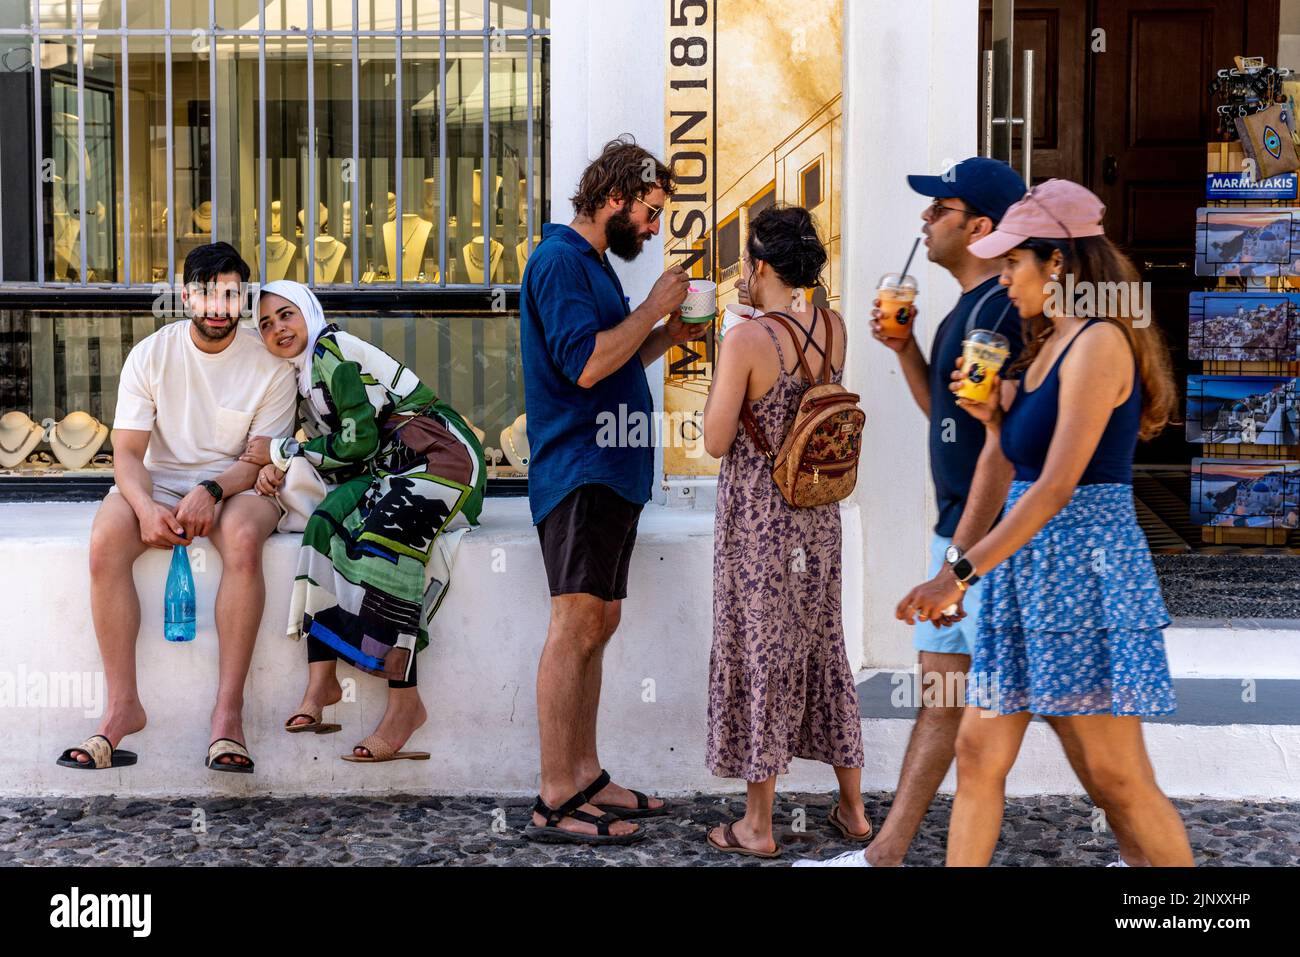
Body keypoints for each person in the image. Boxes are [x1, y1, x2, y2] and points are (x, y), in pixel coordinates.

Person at [798, 159, 1148, 868]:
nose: (925, 221)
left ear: (983, 227)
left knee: (1078, 741)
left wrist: (959, 560)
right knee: (955, 704)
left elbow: (1021, 461)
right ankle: (886, 851)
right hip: (967, 532)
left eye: (941, 210)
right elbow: (962, 421)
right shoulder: (971, 308)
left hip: (993, 535)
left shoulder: (1008, 313)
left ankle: (1151, 862)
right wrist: (904, 352)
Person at [895, 179, 1193, 867]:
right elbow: (1008, 464)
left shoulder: (1098, 345)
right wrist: (993, 426)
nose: (1004, 278)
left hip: (1083, 576)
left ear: (1056, 262)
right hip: (1028, 573)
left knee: (1118, 779)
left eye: (1012, 263)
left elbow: (1057, 487)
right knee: (978, 752)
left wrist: (963, 572)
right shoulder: (1044, 343)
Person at [520, 135, 702, 844]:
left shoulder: (591, 262)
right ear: (616, 196)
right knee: (574, 625)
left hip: (613, 472)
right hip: (581, 471)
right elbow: (588, 365)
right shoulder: (560, 261)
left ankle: (587, 772)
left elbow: (618, 350)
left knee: (601, 623)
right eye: (651, 212)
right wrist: (656, 305)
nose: (654, 228)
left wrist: (671, 334)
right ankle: (554, 793)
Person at [58, 242, 297, 774]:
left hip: (237, 486)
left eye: (230, 295)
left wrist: (211, 490)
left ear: (243, 298)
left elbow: (259, 458)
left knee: (240, 541)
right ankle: (123, 709)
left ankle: (227, 718)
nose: (218, 307)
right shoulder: (152, 353)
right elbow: (126, 451)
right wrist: (143, 508)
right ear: (186, 295)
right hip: (159, 483)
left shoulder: (271, 366)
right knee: (104, 545)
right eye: (207, 294)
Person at [240, 279, 485, 763]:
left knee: (385, 540)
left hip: (441, 459)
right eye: (266, 324)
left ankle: (404, 703)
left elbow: (356, 443)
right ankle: (321, 682)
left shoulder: (331, 350)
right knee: (324, 524)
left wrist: (284, 451)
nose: (278, 328)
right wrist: (283, 463)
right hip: (388, 468)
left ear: (309, 312)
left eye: (286, 314)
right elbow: (347, 454)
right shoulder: (303, 375)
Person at [700, 206, 866, 859]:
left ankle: (758, 825)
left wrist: (729, 339)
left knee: (762, 654)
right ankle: (852, 809)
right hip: (817, 519)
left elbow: (715, 440)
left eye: (746, 258)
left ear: (760, 266)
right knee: (825, 647)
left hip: (760, 524)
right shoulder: (834, 328)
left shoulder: (745, 341)